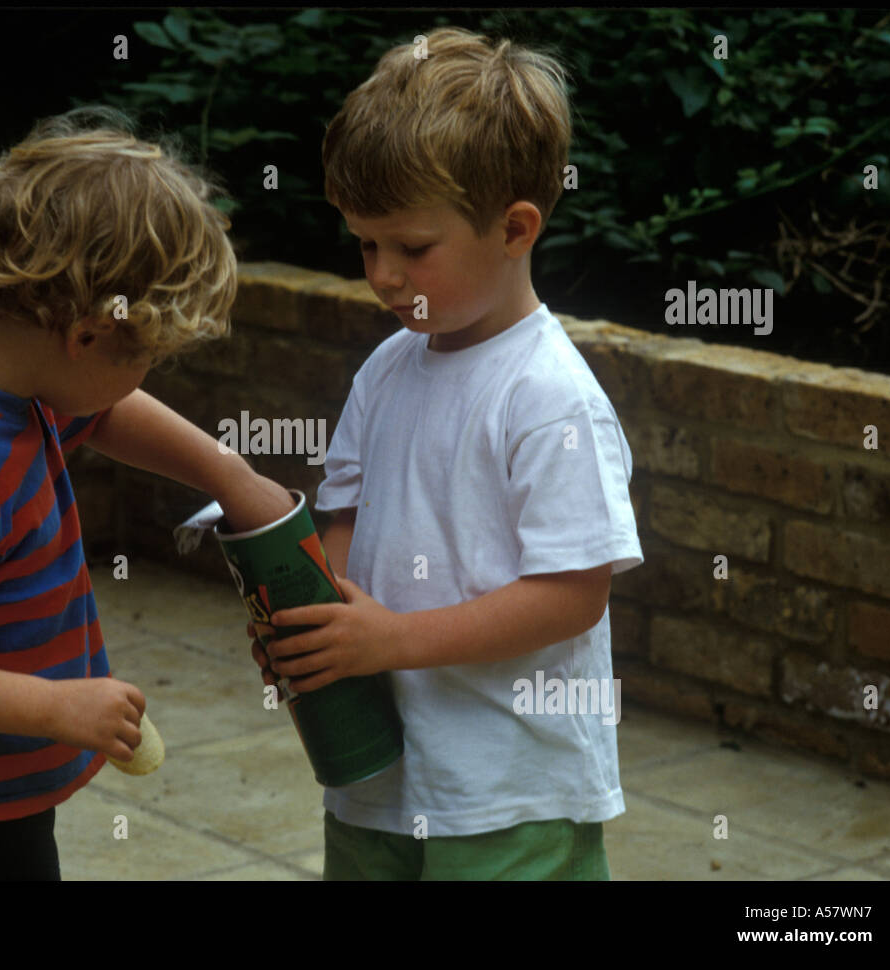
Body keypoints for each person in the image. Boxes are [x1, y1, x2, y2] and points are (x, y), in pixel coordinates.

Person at [0, 107, 293, 880]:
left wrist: (228, 475)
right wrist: (57, 706)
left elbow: (96, 406)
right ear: (89, 336)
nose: (145, 376)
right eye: (147, 357)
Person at [250, 27, 643, 880]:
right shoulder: (385, 369)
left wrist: (389, 640)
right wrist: (321, 629)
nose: (383, 275)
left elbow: (571, 597)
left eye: (411, 247)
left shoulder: (551, 396)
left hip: (510, 795)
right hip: (377, 778)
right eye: (365, 244)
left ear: (515, 228)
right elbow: (343, 526)